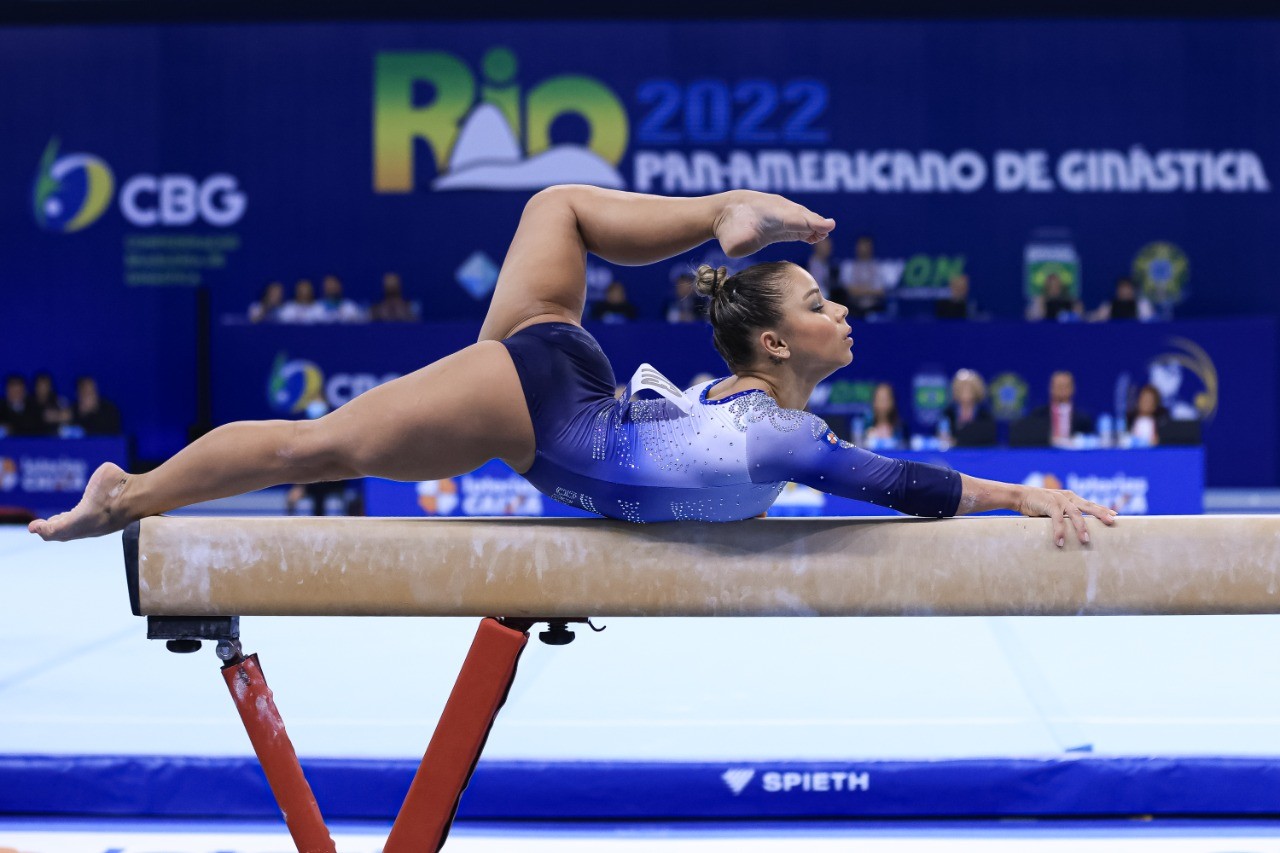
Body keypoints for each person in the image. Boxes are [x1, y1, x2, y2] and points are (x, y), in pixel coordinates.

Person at [31, 187, 1113, 548]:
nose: (843, 311)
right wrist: (1021, 492)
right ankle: (127, 495)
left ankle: (719, 214)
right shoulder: (781, 434)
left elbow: (882, 478)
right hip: (543, 407)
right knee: (326, 445)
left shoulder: (761, 412)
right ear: (774, 341)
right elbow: (899, 487)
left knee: (557, 206)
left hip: (583, 397)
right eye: (822, 301)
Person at [1029, 371, 1095, 447]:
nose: (1062, 390)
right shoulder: (1038, 415)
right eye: (1059, 386)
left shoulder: (1083, 418)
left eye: (1065, 386)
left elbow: (1090, 442)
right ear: (1051, 388)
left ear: (1072, 388)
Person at [940, 369, 994, 445]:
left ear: (976, 390)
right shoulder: (948, 413)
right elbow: (941, 435)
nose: (966, 392)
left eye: (969, 388)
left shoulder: (985, 415)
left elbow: (989, 439)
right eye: (962, 388)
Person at [842, 235, 887, 319]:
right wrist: (870, 290)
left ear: (871, 248)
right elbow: (850, 291)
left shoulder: (878, 267)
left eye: (867, 246)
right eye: (862, 246)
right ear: (857, 247)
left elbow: (881, 292)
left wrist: (861, 291)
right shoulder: (848, 266)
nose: (864, 249)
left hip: (874, 309)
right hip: (854, 310)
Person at [1090, 276, 1154, 322]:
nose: (1124, 292)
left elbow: (1149, 324)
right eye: (1122, 288)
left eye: (1127, 288)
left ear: (1132, 290)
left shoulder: (1142, 306)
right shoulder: (1108, 306)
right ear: (1117, 291)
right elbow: (1094, 320)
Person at [862, 382, 903, 449]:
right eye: (879, 399)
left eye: (886, 399)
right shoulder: (864, 424)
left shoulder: (900, 427)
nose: (882, 403)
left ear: (892, 402)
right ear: (873, 401)